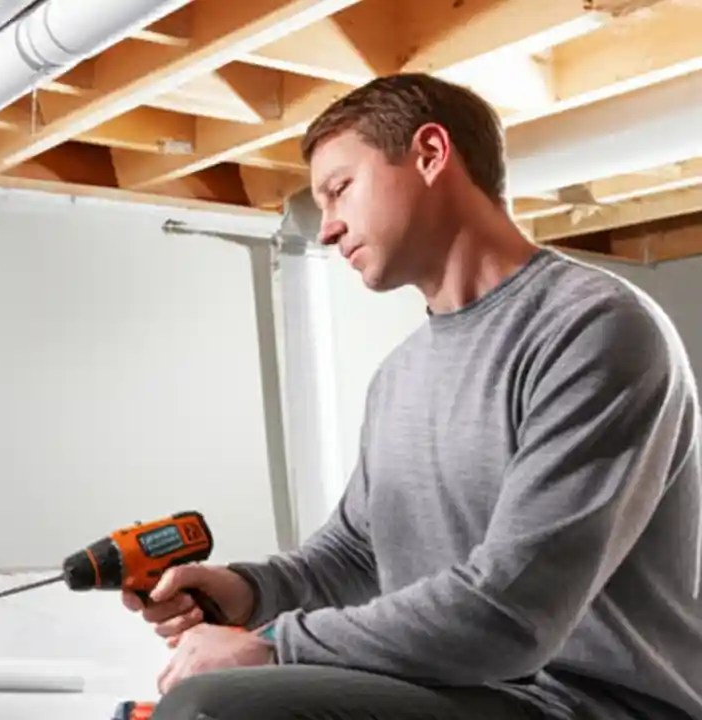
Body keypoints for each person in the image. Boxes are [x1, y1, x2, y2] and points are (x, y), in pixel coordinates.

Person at [126, 73, 702, 720]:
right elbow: (355, 552)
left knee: (215, 706)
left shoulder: (590, 329)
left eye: (340, 190)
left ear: (430, 154)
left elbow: (511, 613)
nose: (327, 229)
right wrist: (250, 590)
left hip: (588, 704)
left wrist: (269, 645)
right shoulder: (399, 375)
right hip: (465, 690)